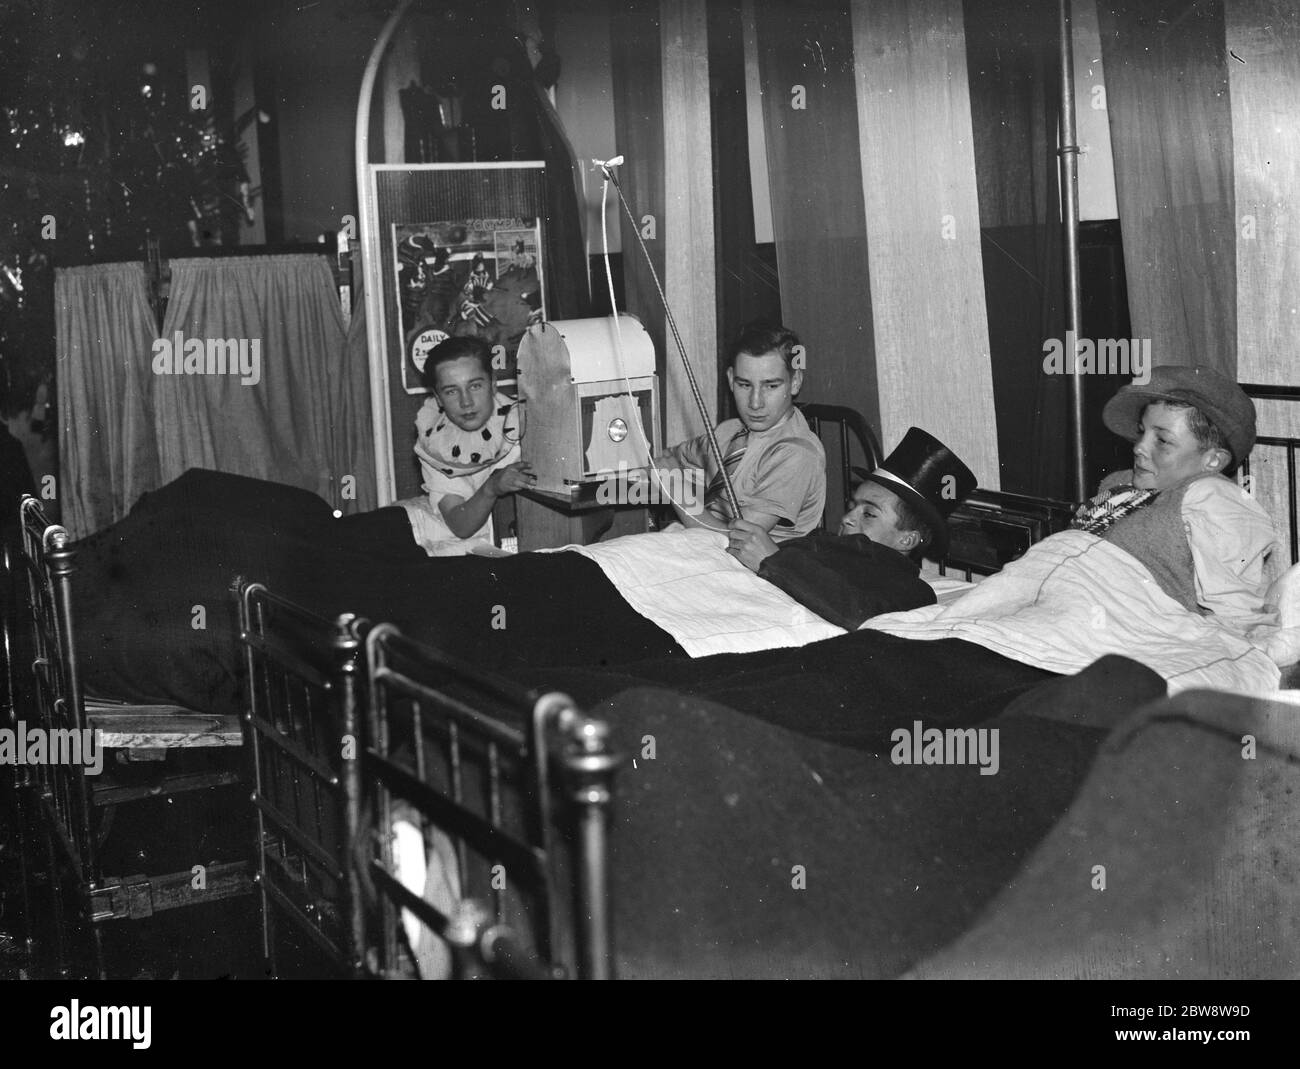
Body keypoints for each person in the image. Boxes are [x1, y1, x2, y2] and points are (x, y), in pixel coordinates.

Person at [1075, 363, 1279, 632]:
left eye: (1162, 440)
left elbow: (1235, 608)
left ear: (1213, 460)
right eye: (1141, 431)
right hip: (1082, 611)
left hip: (1144, 632)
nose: (1138, 447)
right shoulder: (1118, 485)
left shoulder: (1213, 499)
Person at [727, 427, 978, 629]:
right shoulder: (824, 543)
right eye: (852, 506)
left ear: (907, 540)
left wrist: (774, 559)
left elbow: (862, 615)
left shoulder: (912, 590)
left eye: (868, 513)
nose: (847, 518)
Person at [655, 321, 825, 541]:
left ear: (795, 382)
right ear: (730, 380)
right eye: (745, 385)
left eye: (771, 386)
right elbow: (669, 458)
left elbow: (735, 539)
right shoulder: (729, 432)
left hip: (753, 565)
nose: (755, 403)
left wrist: (676, 489)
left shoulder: (797, 454)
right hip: (698, 544)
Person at [397, 336, 535, 556]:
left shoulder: (525, 421)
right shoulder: (435, 445)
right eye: (452, 391)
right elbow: (461, 526)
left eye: (475, 386)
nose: (466, 402)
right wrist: (491, 488)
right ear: (438, 398)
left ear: (493, 384)